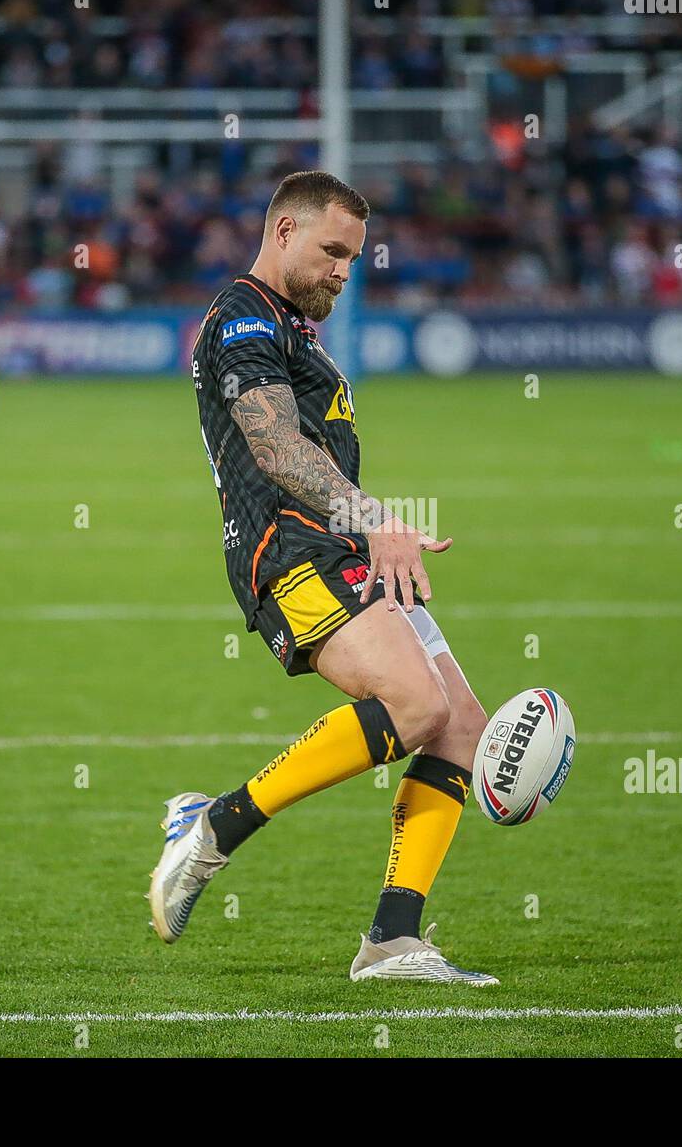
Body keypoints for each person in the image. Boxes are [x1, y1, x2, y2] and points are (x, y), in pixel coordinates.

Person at [149, 171, 497, 984]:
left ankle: (392, 941)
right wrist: (376, 519)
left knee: (460, 725)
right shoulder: (242, 317)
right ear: (282, 233)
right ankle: (213, 828)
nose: (344, 269)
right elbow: (273, 447)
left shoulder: (295, 331)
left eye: (355, 257)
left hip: (340, 549)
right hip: (291, 553)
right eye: (331, 250)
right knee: (417, 705)